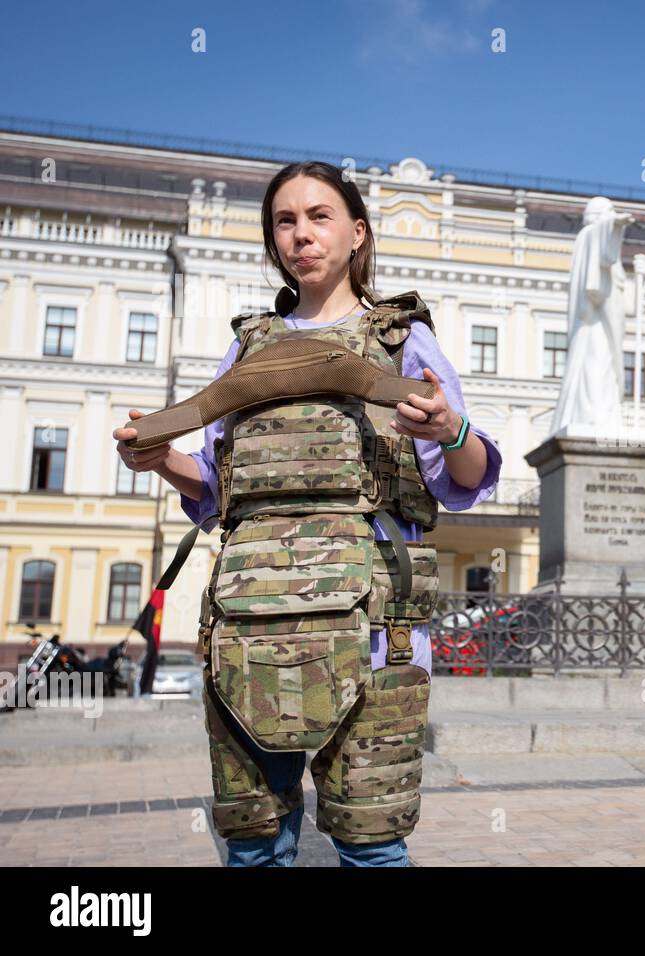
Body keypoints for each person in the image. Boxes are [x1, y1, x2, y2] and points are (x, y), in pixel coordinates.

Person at [112, 161, 502, 866]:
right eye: (285, 221)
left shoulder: (403, 341)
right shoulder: (249, 347)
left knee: (371, 840)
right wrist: (159, 457)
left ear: (358, 233)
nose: (301, 234)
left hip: (374, 626)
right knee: (255, 839)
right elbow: (215, 486)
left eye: (320, 216)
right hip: (251, 622)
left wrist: (451, 429)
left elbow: (463, 479)